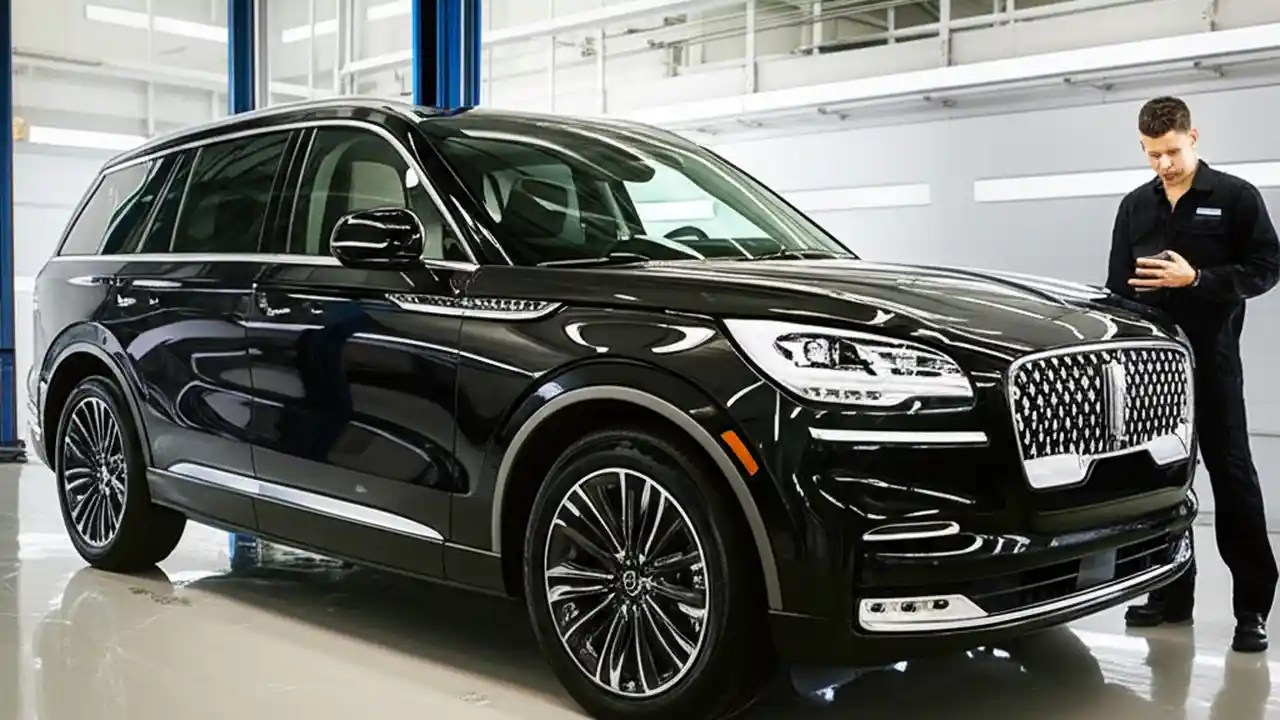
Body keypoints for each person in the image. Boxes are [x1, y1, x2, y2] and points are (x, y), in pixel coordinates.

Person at [1105, 95, 1279, 653]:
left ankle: (1251, 608)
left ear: (1193, 138)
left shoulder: (1234, 197)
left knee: (1233, 479)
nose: (1164, 164)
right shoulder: (1135, 206)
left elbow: (1267, 267)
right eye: (1152, 153)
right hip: (1154, 375)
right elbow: (1117, 287)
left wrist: (1198, 280)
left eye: (1172, 152)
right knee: (1160, 483)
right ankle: (1170, 594)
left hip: (1213, 363)